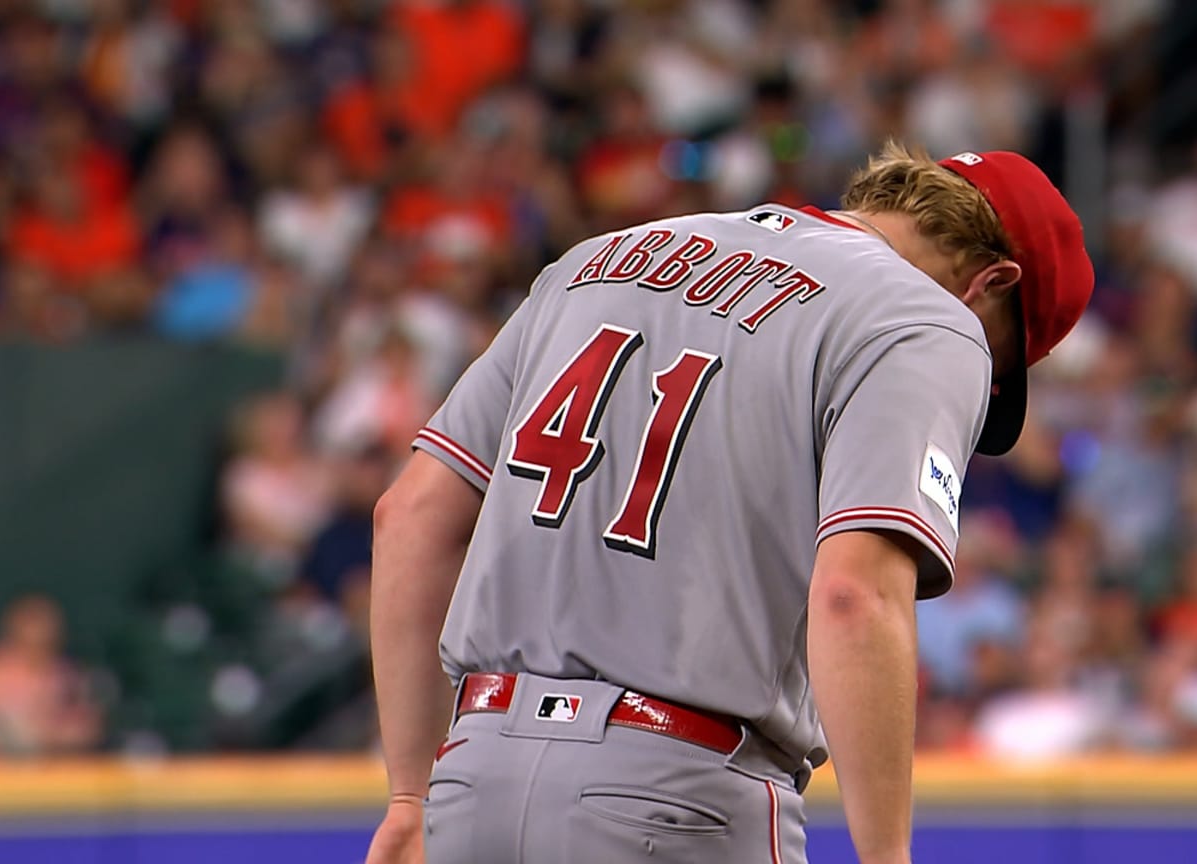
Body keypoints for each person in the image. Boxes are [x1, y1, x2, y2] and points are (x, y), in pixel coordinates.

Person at [364, 142, 1093, 864]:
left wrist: (408, 797)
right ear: (990, 281)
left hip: (470, 783)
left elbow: (411, 516)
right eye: (1004, 357)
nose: (985, 379)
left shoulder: (597, 258)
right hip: (678, 799)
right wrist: (887, 856)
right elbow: (854, 597)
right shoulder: (929, 318)